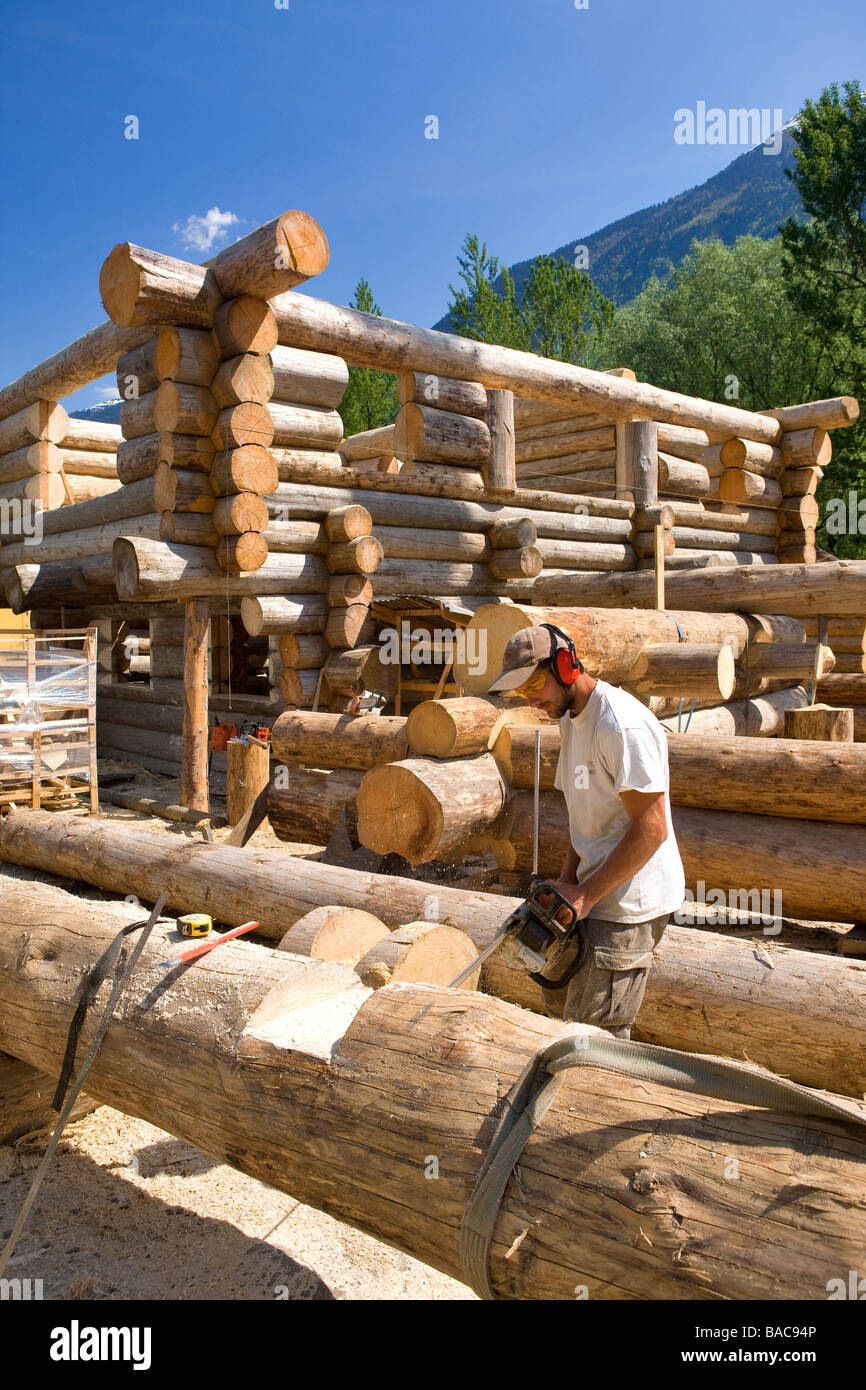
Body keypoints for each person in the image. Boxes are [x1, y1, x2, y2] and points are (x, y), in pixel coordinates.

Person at [488, 623, 685, 1038]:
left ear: (565, 665)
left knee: (595, 1037)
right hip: (593, 892)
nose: (531, 698)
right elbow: (584, 816)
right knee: (559, 1014)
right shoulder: (570, 719)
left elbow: (652, 829)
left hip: (631, 903)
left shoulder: (619, 725)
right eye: (521, 690)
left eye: (535, 684)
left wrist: (587, 896)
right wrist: (566, 882)